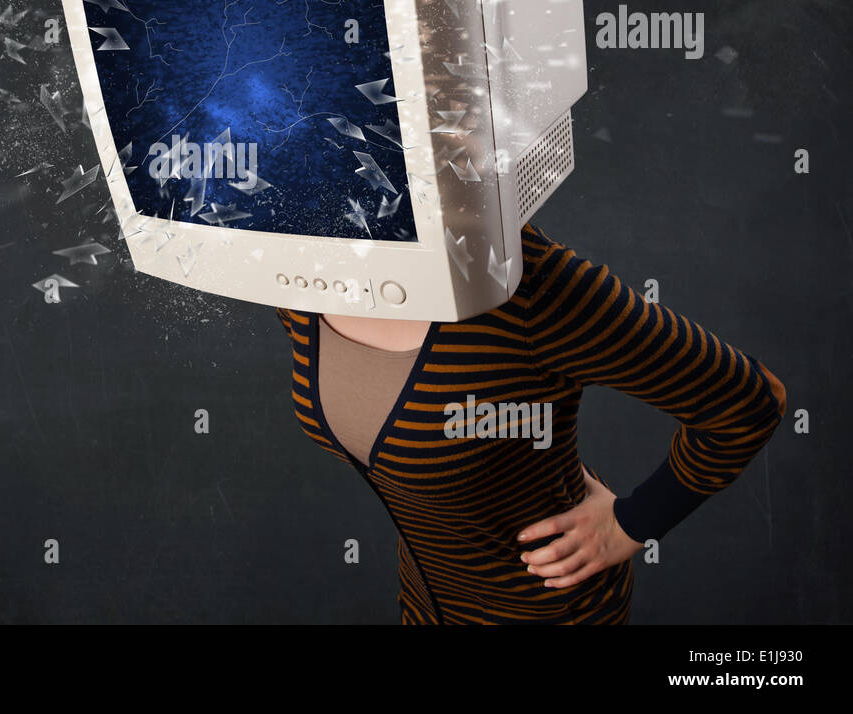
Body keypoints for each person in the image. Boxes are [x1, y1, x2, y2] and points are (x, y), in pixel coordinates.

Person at [276, 220, 787, 624]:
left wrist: (635, 523)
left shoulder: (524, 286)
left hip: (544, 610)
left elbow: (748, 401)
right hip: (426, 602)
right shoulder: (292, 264)